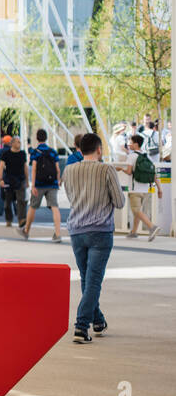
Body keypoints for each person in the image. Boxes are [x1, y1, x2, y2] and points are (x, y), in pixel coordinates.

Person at [61, 132, 125, 343]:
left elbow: (70, 196)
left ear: (79, 150)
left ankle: (97, 320)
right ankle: (81, 326)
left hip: (76, 230)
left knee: (87, 279)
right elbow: (119, 201)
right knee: (94, 281)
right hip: (100, 231)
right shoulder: (106, 169)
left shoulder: (69, 170)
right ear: (99, 149)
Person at [116, 132, 162, 240]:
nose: (129, 144)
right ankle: (133, 232)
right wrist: (159, 189)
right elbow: (153, 174)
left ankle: (152, 227)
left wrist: (120, 169)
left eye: (131, 142)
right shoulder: (146, 156)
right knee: (138, 210)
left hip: (134, 188)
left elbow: (129, 171)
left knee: (136, 210)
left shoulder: (131, 156)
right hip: (145, 189)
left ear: (136, 144)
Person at [22, 128, 63, 243]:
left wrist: (33, 184)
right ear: (46, 138)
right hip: (52, 183)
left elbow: (34, 168)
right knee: (55, 207)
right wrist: (58, 180)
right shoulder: (53, 152)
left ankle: (26, 231)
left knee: (33, 207)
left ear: (37, 138)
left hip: (39, 184)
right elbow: (57, 169)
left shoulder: (35, 152)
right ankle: (58, 234)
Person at [0, 135, 28, 228]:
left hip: (20, 180)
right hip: (8, 180)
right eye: (17, 142)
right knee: (7, 203)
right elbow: (1, 167)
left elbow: (25, 167)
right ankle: (8, 219)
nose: (19, 144)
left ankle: (22, 219)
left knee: (21, 201)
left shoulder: (23, 154)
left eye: (20, 142)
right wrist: (1, 179)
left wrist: (27, 180)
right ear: (12, 143)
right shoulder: (6, 154)